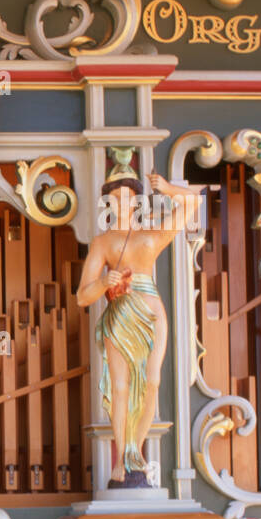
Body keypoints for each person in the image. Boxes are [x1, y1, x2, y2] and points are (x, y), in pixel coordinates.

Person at [76, 162, 200, 487]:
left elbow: (192, 203)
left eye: (129, 197)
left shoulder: (152, 234)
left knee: (153, 380)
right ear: (108, 202)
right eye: (116, 197)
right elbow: (82, 296)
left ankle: (137, 455)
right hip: (119, 314)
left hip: (151, 311)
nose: (122, 203)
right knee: (120, 387)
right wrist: (104, 281)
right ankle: (122, 460)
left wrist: (167, 188)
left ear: (137, 201)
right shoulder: (102, 243)